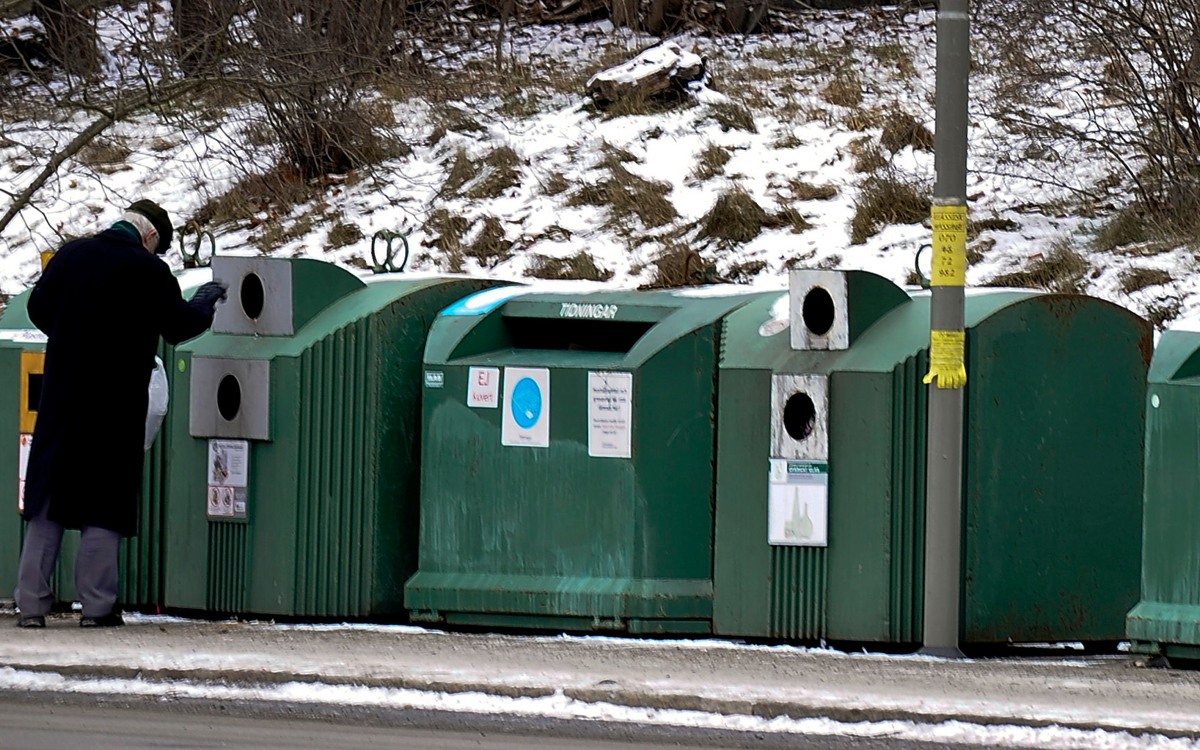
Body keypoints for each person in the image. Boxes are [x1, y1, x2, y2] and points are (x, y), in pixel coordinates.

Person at [14, 199, 228, 628]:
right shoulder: (147, 270)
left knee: (48, 498)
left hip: (61, 398)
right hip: (115, 403)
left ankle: (31, 607)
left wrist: (73, 336)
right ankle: (97, 608)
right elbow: (179, 325)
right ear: (151, 238)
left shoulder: (72, 255)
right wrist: (205, 303)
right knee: (103, 500)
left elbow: (38, 309)